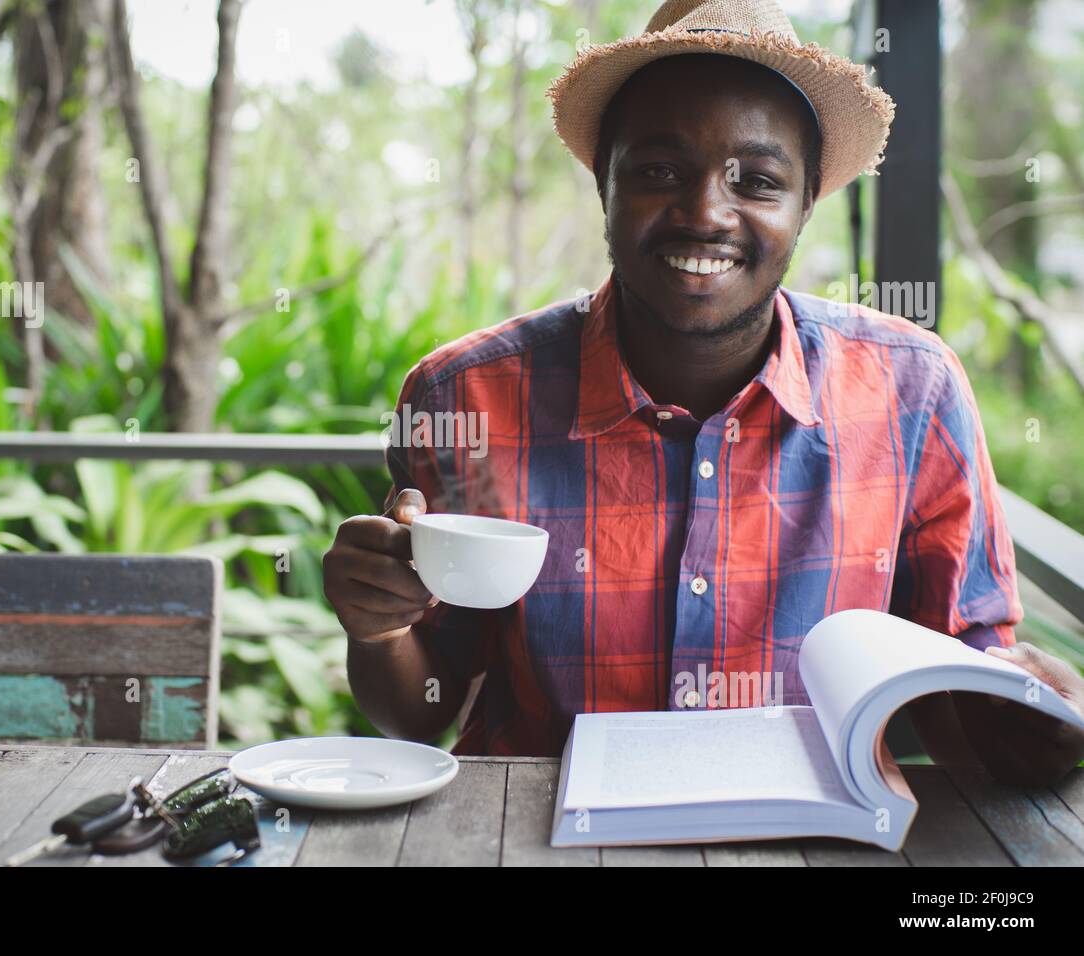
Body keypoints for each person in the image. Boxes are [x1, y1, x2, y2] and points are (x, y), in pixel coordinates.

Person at [322, 0, 1084, 784]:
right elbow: (419, 709)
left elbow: (956, 708)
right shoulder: (465, 398)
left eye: (757, 180)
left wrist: (1030, 722)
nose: (706, 213)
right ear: (603, 183)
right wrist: (377, 625)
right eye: (659, 171)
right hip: (533, 838)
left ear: (806, 202)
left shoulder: (914, 392)